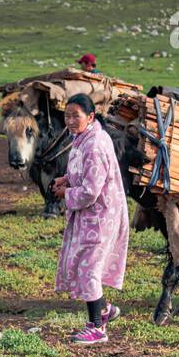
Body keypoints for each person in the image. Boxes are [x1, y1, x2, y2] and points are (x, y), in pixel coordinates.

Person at [51, 94, 128, 344]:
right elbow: (86, 174)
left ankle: (97, 328)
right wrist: (67, 179)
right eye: (67, 115)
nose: (71, 121)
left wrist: (66, 192)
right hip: (93, 216)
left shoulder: (93, 144)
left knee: (88, 270)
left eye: (76, 116)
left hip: (99, 217)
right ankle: (104, 309)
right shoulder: (85, 137)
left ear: (91, 117)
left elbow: (91, 191)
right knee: (86, 266)